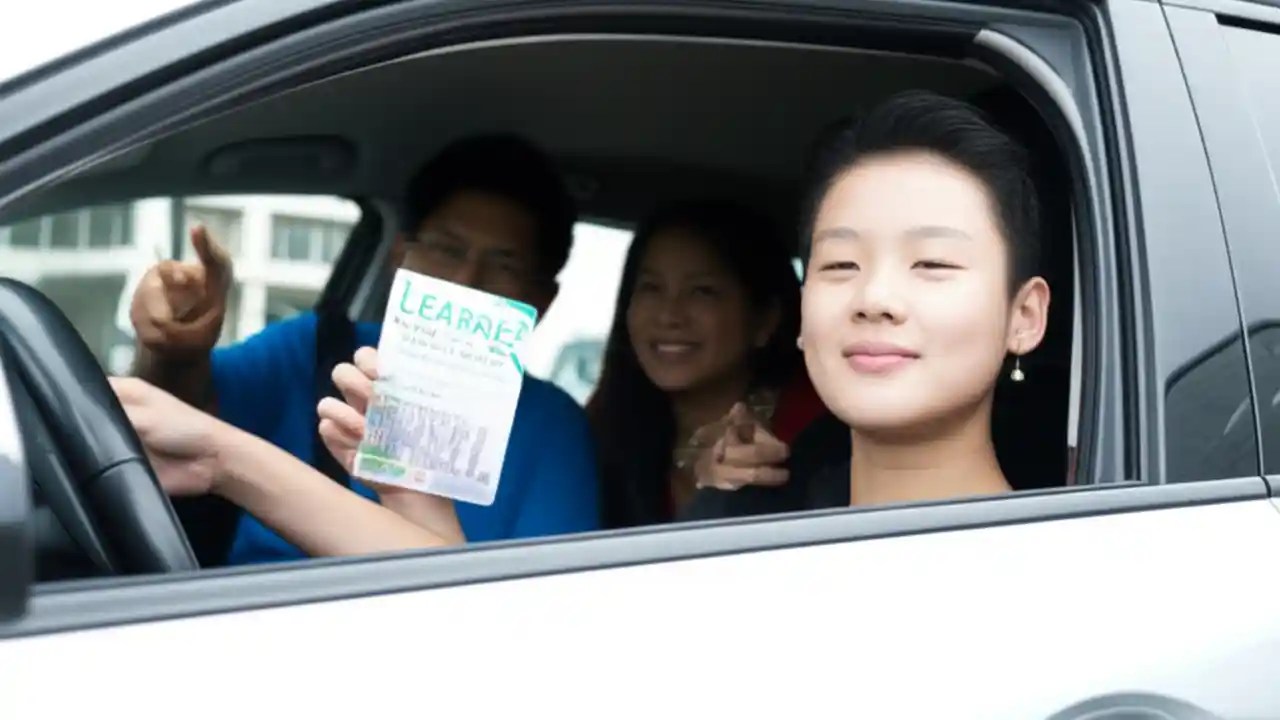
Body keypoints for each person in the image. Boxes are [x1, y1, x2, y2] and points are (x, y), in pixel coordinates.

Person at [127, 133, 601, 564]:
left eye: (504, 265)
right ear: (400, 254)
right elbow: (172, 422)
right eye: (447, 249)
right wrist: (175, 351)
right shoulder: (314, 348)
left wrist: (228, 460)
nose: (466, 280)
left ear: (541, 299)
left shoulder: (553, 426)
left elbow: (544, 597)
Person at [684, 89, 1051, 517]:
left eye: (931, 263)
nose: (874, 299)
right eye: (841, 265)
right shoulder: (731, 534)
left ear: (1024, 316)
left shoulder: (1079, 550)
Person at [583, 199, 822, 528]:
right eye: (651, 287)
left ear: (765, 320)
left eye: (702, 291)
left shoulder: (815, 432)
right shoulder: (603, 430)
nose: (669, 315)